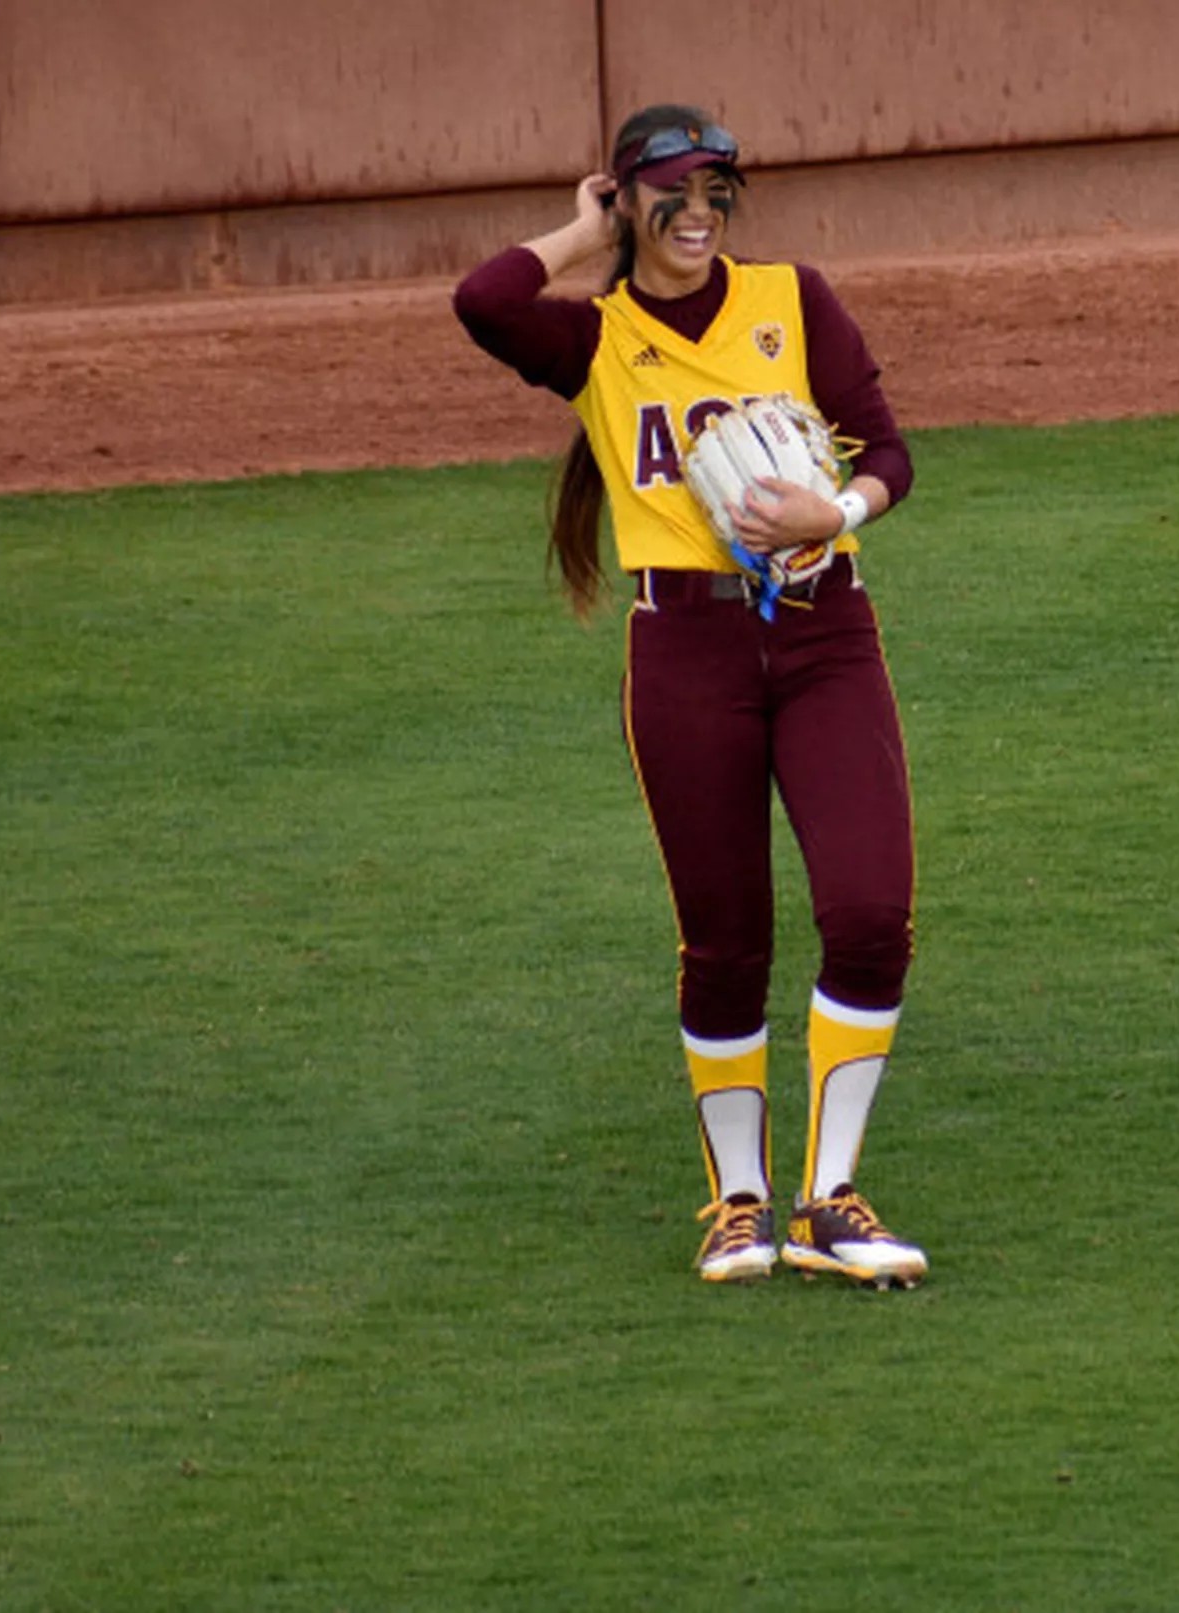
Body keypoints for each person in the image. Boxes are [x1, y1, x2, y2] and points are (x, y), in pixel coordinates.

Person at [453, 104, 929, 1288]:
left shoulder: (791, 299)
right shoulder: (597, 341)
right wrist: (579, 234)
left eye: (717, 187)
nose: (701, 210)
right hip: (685, 656)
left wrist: (840, 512)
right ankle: (738, 1201)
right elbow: (481, 302)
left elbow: (886, 452)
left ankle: (828, 1199)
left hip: (827, 635)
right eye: (672, 191)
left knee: (869, 913)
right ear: (630, 200)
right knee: (725, 942)